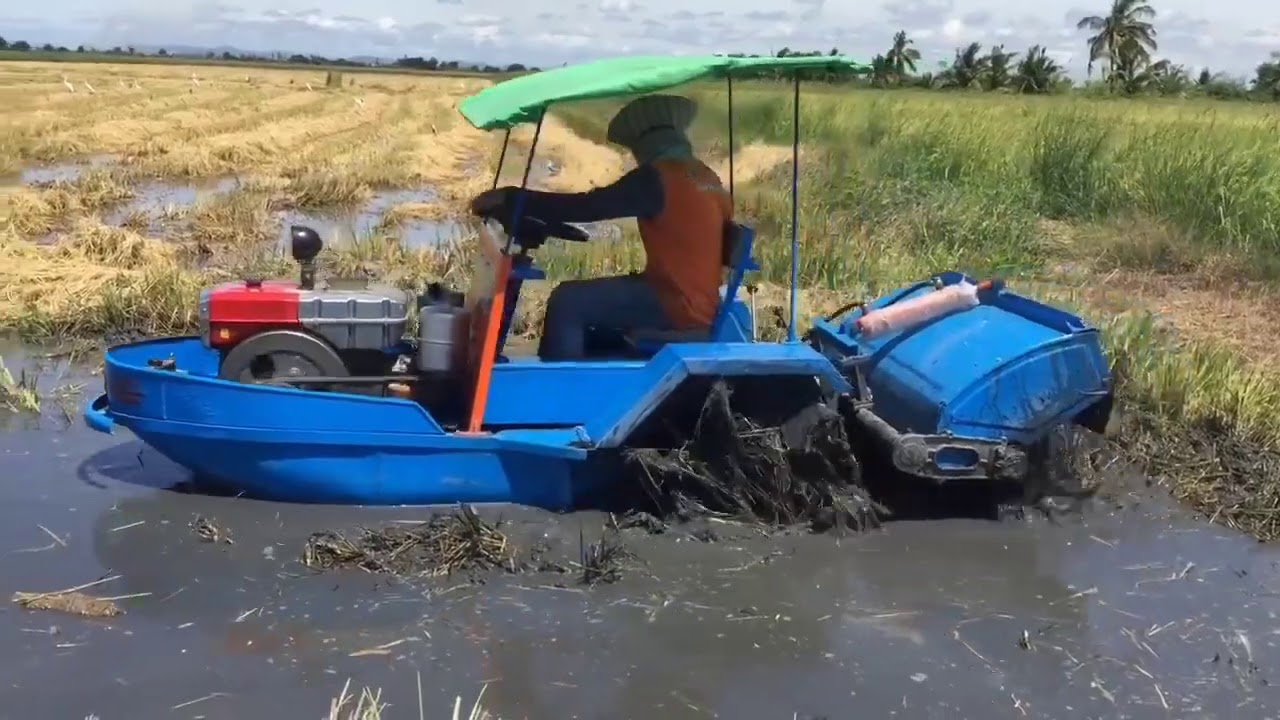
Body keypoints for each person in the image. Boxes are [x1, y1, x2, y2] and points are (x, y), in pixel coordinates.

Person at [469, 94, 732, 361]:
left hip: (675, 304)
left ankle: (563, 389)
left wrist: (514, 198)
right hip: (697, 300)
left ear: (646, 143)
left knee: (568, 302)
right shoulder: (705, 175)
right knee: (584, 305)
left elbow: (589, 207)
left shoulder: (656, 179)